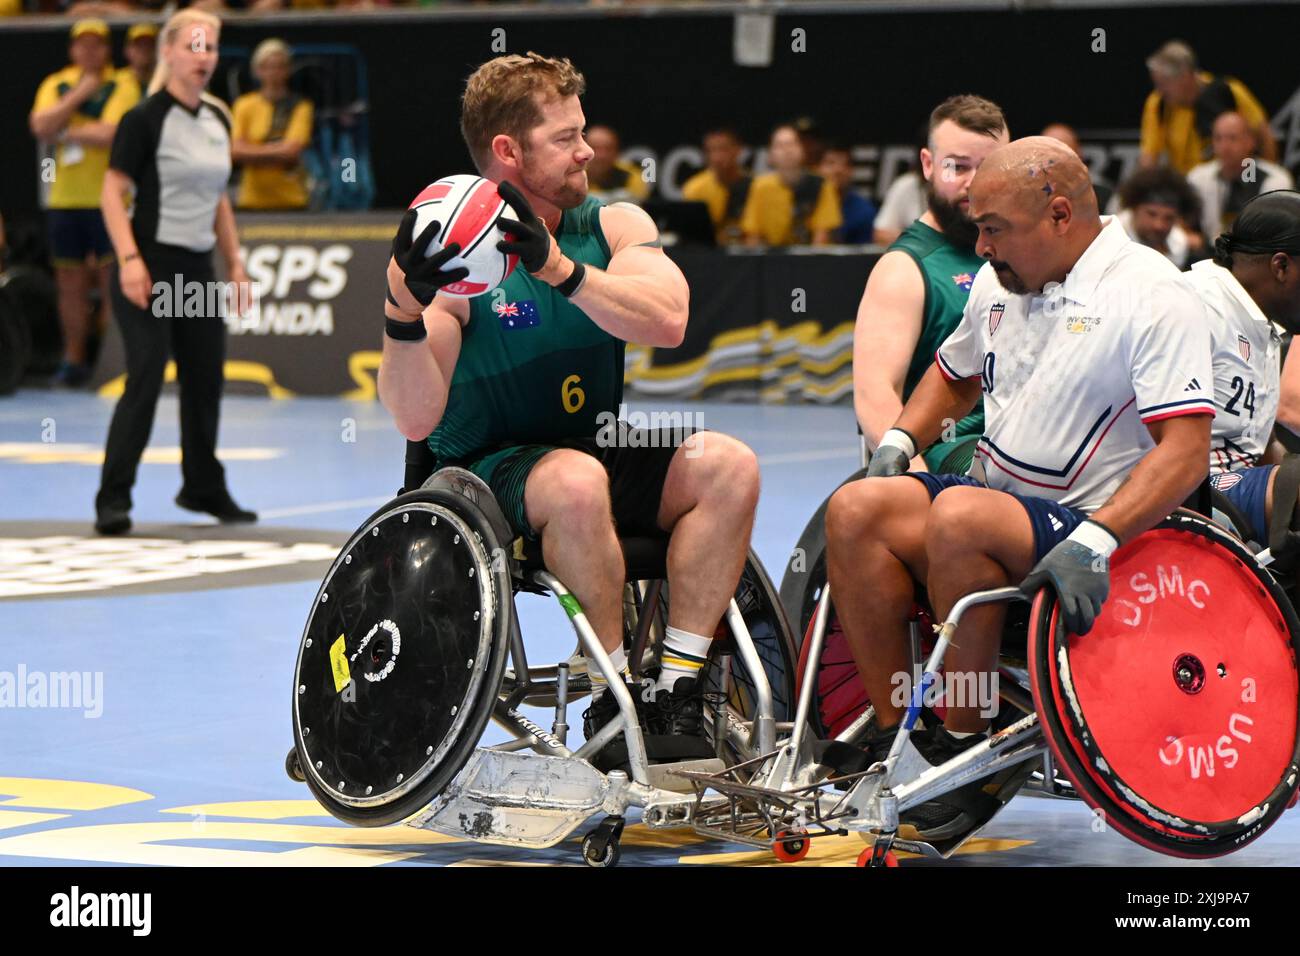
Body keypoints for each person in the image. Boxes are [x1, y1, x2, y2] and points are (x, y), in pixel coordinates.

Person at [825, 137, 1214, 839]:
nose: (979, 247)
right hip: (999, 507)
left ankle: (966, 743)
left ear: (1060, 214)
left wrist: (1098, 537)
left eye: (993, 228)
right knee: (857, 507)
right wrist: (898, 442)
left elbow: (1186, 453)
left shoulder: (1154, 295)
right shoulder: (1005, 285)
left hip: (1103, 530)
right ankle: (897, 735)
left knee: (963, 519)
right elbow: (953, 373)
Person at [379, 52, 761, 755]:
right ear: (507, 151)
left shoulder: (611, 224)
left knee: (727, 464)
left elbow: (667, 319)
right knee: (577, 481)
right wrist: (402, 311)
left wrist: (559, 268)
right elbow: (414, 419)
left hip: (589, 443)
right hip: (486, 473)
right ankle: (612, 701)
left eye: (582, 131)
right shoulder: (451, 256)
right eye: (565, 138)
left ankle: (673, 693)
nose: (587, 149)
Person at [94, 8, 256, 535]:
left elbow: (218, 201)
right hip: (149, 261)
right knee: (145, 373)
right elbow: (111, 193)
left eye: (209, 47)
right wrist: (130, 261)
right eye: (192, 45)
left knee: (205, 376)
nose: (203, 56)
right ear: (167, 52)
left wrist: (234, 262)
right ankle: (113, 498)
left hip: (196, 267)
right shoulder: (143, 120)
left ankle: (203, 486)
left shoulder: (218, 118)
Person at [854, 95, 1009, 475]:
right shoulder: (904, 269)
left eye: (988, 167)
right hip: (952, 449)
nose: (973, 183)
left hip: (1027, 437)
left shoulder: (1024, 253)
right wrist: (919, 486)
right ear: (928, 164)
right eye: (957, 166)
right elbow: (874, 397)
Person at [29, 18, 140, 387]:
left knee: (114, 281)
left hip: (109, 199)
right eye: (83, 44)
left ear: (107, 50)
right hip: (64, 198)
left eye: (97, 45)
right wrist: (80, 93)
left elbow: (112, 133)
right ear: (73, 49)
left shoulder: (123, 84)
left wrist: (64, 127)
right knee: (70, 283)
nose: (89, 51)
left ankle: (111, 362)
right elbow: (39, 126)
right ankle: (73, 360)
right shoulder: (55, 83)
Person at [1195, 192, 1300, 544]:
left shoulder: (1262, 321)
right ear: (1281, 266)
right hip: (1183, 493)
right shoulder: (1194, 307)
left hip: (1230, 486)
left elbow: (1264, 445)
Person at [1140, 40, 1276, 175]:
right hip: (1189, 187)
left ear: (1186, 76)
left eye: (1164, 83)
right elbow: (1149, 157)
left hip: (1235, 179)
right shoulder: (1157, 103)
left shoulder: (1229, 92)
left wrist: (1261, 182)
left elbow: (1263, 136)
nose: (1160, 90)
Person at [231, 38, 314, 211]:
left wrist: (253, 152)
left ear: (288, 70)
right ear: (257, 71)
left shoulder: (301, 106)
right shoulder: (244, 104)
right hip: (251, 200)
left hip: (292, 200)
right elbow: (235, 151)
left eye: (279, 66)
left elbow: (291, 151)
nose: (273, 73)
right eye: (267, 67)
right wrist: (277, 151)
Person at [1187, 112, 1294, 242]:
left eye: (1232, 138)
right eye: (1218, 138)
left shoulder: (1275, 180)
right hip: (1209, 250)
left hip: (1256, 252)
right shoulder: (1198, 177)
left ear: (1251, 142)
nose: (1224, 146)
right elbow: (1185, 221)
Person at [740, 123, 840, 246]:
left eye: (792, 144)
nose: (787, 150)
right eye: (779, 145)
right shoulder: (760, 186)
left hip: (808, 259)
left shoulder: (821, 185)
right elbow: (752, 234)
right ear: (770, 155)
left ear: (802, 150)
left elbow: (821, 238)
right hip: (771, 258)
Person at [1116, 166, 1203, 268]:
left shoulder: (1178, 245)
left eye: (1169, 218)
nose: (1159, 225)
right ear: (1134, 209)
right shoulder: (1110, 236)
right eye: (1151, 214)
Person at [680, 126, 750, 246]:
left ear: (738, 150)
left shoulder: (754, 186)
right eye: (711, 151)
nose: (717, 157)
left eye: (723, 149)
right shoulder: (694, 188)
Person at [1041, 121, 1114, 212]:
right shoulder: (1029, 192)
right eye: (1047, 153)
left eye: (1063, 154)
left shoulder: (1103, 194)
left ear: (1079, 155)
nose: (1054, 162)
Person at [819, 142, 877, 244]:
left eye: (845, 164)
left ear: (852, 171)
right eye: (830, 163)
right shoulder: (805, 204)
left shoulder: (864, 211)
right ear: (818, 168)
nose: (838, 170)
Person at [582, 124, 649, 206]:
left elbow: (634, 206)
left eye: (608, 149)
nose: (602, 156)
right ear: (583, 149)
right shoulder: (571, 174)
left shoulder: (631, 176)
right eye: (595, 148)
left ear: (617, 152)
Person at [117, 22, 158, 96]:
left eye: (149, 45)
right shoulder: (113, 84)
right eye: (139, 45)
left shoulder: (165, 83)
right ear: (127, 50)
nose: (144, 50)